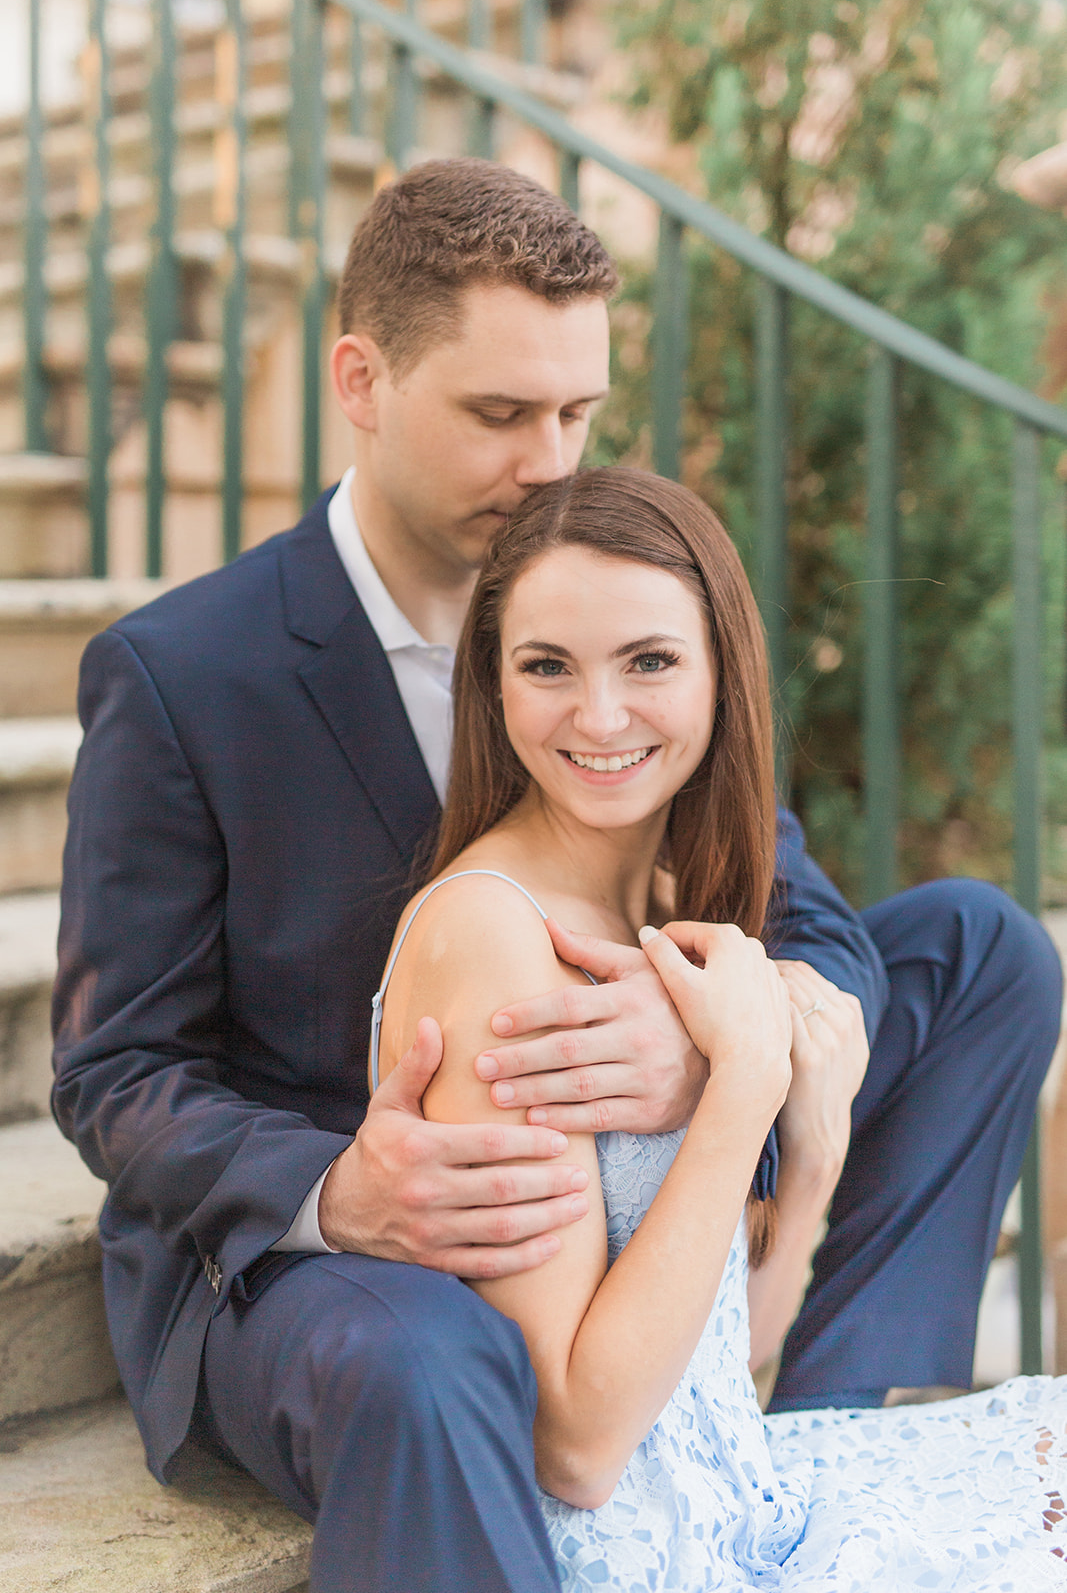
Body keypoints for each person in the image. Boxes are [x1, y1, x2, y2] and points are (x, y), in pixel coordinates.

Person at [51, 159, 1060, 1592]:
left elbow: (801, 911)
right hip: (345, 1244)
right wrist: (343, 1187)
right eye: (499, 414)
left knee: (977, 951)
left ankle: (803, 1426)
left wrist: (720, 1033)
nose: (549, 462)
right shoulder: (182, 674)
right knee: (433, 1353)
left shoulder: (609, 614)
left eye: (577, 413)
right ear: (360, 380)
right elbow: (116, 1071)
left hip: (622, 1155)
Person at [372, 463, 1067, 1589]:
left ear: (720, 673)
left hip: (736, 1495)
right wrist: (744, 1075)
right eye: (546, 666)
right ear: (492, 686)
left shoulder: (672, 899)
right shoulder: (492, 935)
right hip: (635, 1554)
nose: (600, 716)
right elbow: (577, 1445)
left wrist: (811, 1153)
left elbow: (725, 1369)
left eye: (648, 661)